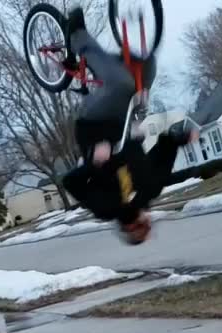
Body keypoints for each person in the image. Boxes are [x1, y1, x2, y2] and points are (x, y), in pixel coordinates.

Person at [61, 7, 198, 244]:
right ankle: (119, 46)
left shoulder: (106, 208)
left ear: (129, 227)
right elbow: (165, 147)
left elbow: (70, 182)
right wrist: (184, 137)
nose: (148, 220)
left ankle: (76, 35)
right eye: (147, 225)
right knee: (147, 67)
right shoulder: (150, 189)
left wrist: (95, 162)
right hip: (124, 120)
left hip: (93, 124)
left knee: (122, 84)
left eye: (141, 226)